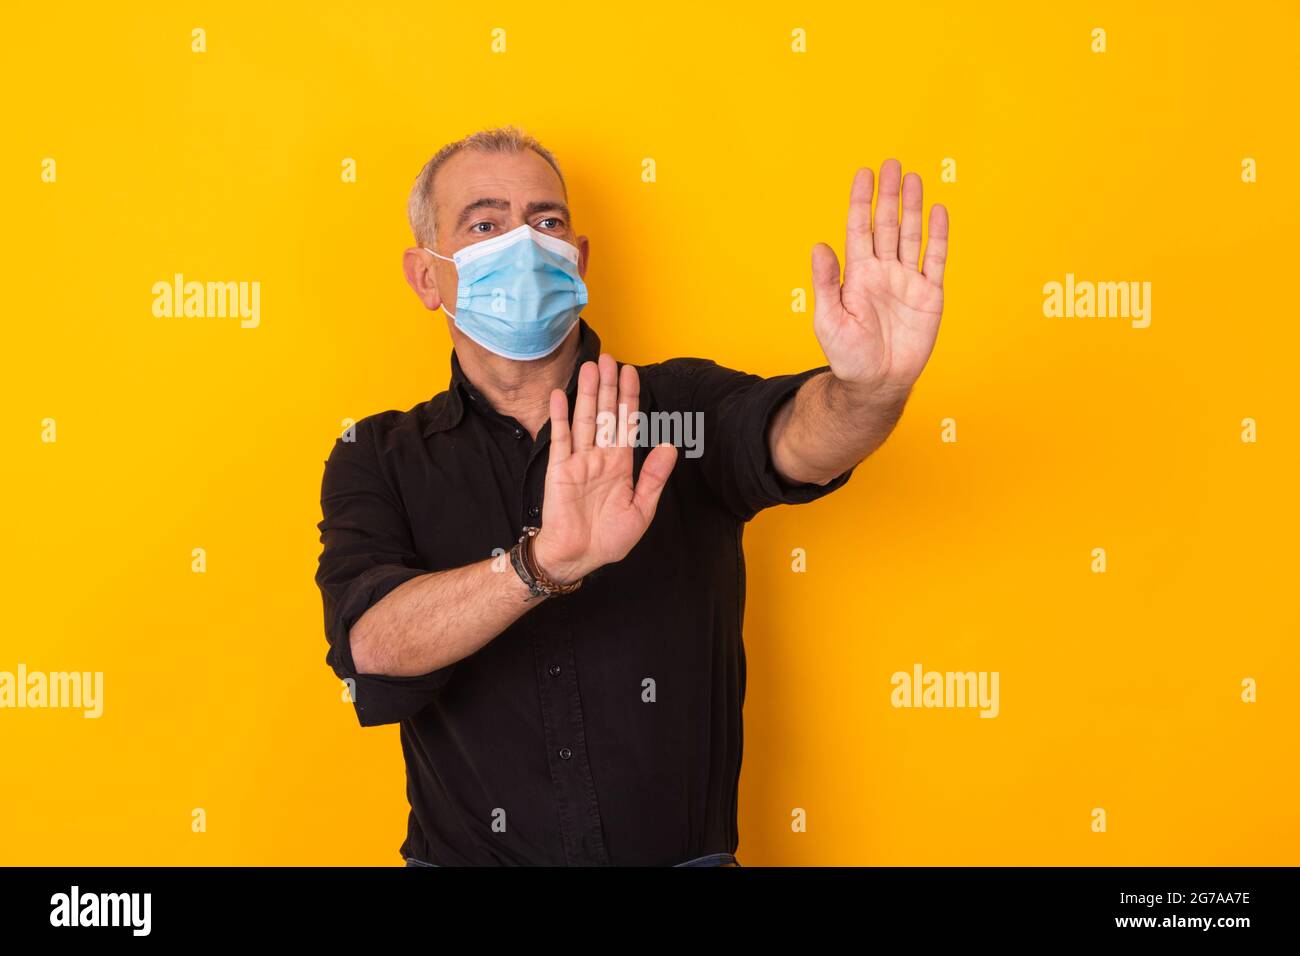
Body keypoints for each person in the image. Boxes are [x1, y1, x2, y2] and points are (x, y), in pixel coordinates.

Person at [314, 126, 950, 866]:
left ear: (578, 261)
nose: (522, 242)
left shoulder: (677, 409)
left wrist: (871, 389)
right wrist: (541, 563)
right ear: (427, 276)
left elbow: (801, 440)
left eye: (546, 222)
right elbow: (373, 648)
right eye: (484, 224)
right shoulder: (379, 455)